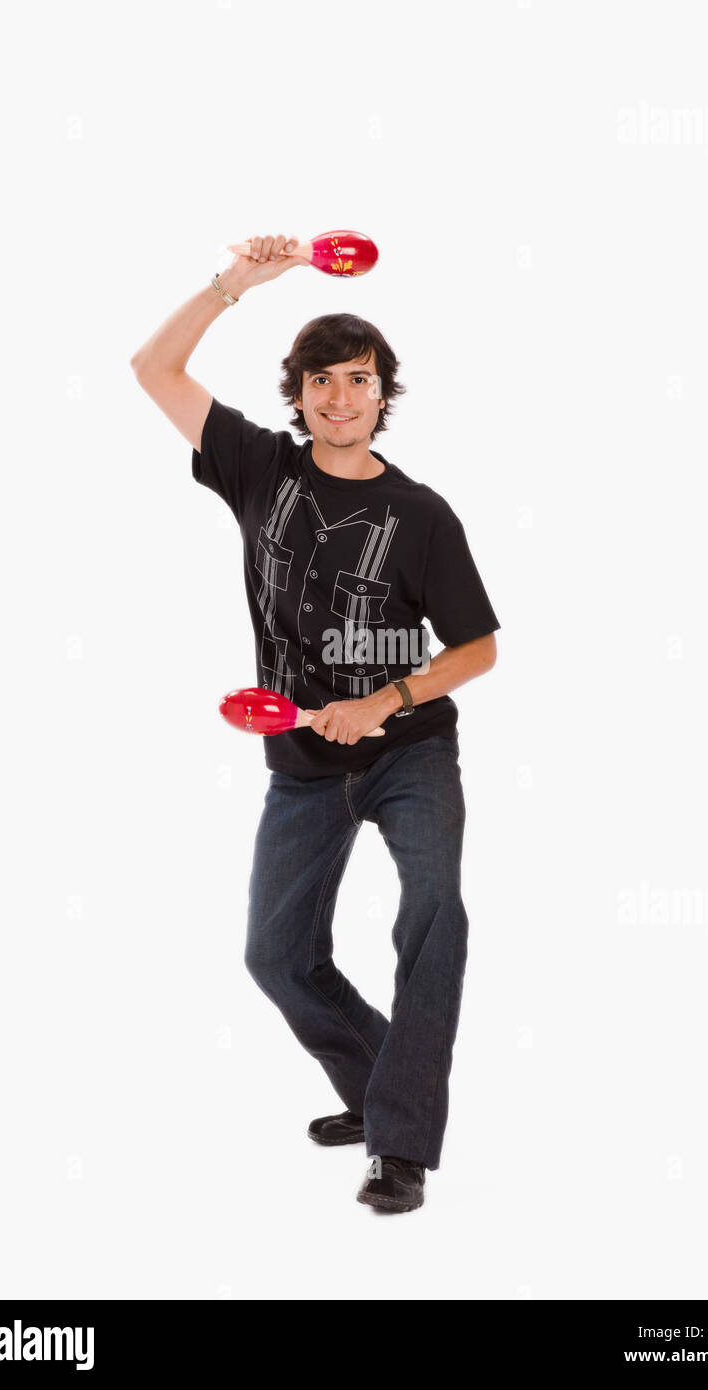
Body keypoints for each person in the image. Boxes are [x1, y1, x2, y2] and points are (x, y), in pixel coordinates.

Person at [131, 233, 500, 1213]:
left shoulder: (420, 514)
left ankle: (401, 1146)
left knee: (432, 914)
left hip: (409, 752)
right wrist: (234, 286)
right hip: (298, 760)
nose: (341, 397)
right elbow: (152, 369)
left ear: (385, 395)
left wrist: (383, 699)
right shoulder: (260, 469)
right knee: (275, 954)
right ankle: (385, 1087)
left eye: (360, 380)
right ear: (296, 393)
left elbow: (476, 650)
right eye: (321, 381)